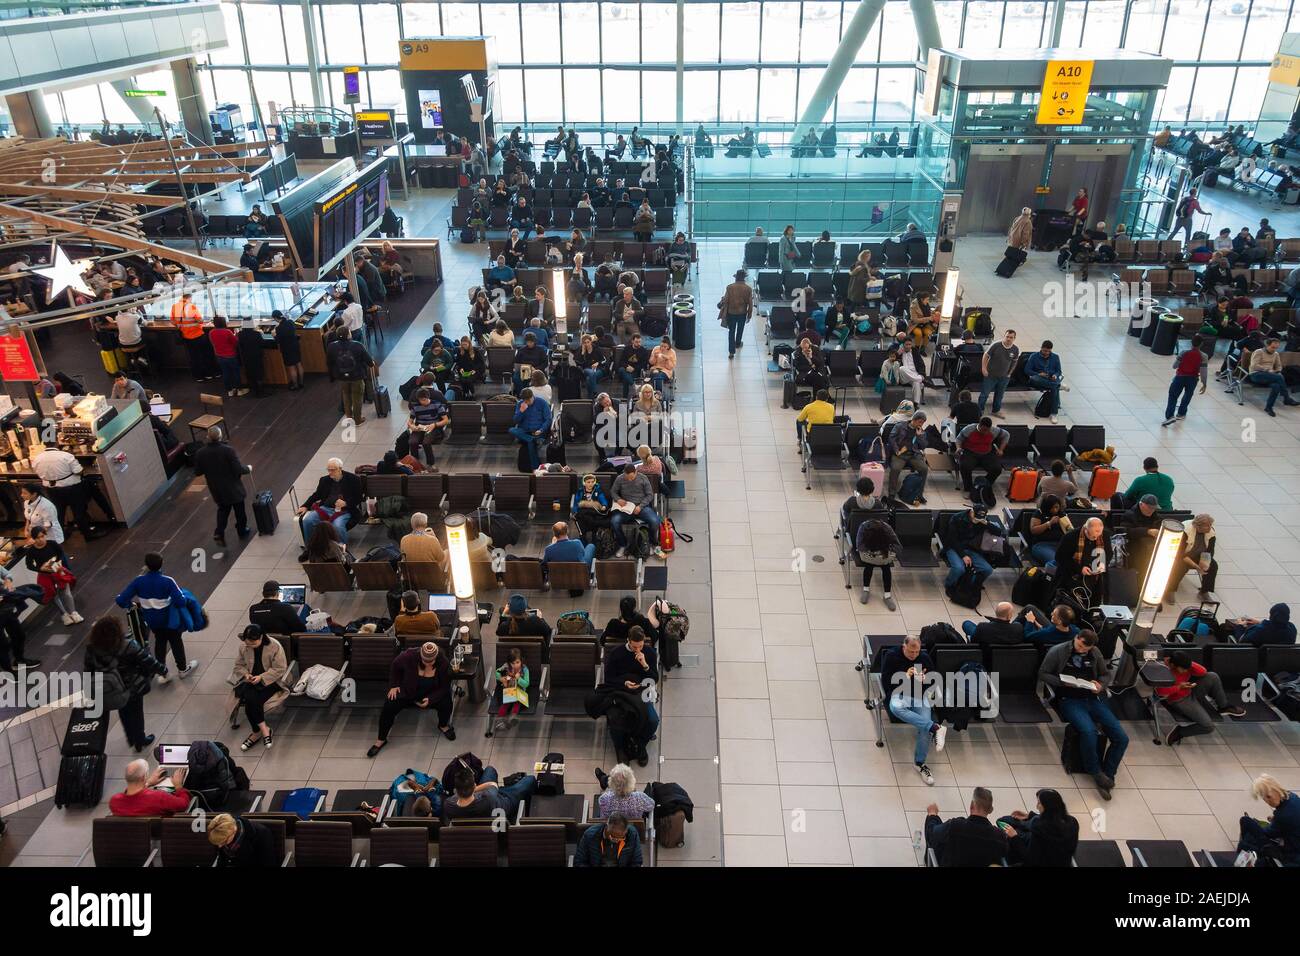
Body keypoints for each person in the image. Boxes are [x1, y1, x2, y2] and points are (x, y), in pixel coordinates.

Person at [1039, 629, 1127, 798]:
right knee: (1089, 732)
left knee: (1121, 738)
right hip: (1069, 699)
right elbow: (1043, 673)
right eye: (1079, 646)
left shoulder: (1094, 653)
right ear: (1076, 638)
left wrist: (1100, 685)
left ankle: (1108, 774)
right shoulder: (1058, 651)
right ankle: (1095, 771)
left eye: (1085, 649)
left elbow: (1104, 675)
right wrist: (1062, 682)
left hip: (1092, 698)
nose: (1081, 650)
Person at [84, 614, 167, 753]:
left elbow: (88, 670)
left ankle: (131, 738)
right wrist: (162, 669)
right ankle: (140, 740)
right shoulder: (127, 645)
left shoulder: (92, 648)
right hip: (132, 687)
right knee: (136, 713)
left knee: (123, 712)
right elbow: (147, 661)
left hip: (113, 689)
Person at [115, 551, 198, 680]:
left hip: (152, 620)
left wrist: (132, 605)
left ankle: (164, 673)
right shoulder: (168, 581)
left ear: (146, 566)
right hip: (170, 620)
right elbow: (181, 601)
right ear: (161, 564)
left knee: (160, 641)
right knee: (176, 641)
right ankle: (182, 669)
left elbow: (120, 600)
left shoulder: (138, 581)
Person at [367, 641, 455, 757]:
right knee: (389, 706)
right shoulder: (408, 656)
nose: (428, 664)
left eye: (431, 661)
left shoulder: (443, 662)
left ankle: (443, 725)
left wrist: (431, 699)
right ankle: (381, 739)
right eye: (425, 661)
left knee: (446, 702)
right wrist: (394, 685)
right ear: (420, 656)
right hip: (408, 692)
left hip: (431, 692)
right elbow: (395, 666)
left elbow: (444, 687)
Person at [881, 636, 946, 786]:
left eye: (917, 651)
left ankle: (920, 763)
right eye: (911, 651)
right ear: (904, 646)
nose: (914, 655)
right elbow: (885, 682)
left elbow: (934, 679)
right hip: (899, 694)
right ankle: (936, 728)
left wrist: (925, 679)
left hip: (919, 695)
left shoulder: (923, 657)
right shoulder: (892, 656)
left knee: (924, 728)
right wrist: (905, 677)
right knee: (896, 707)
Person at [1156, 649, 1246, 746]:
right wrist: (1179, 687)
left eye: (1187, 668)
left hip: (1190, 691)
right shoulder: (1164, 670)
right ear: (1173, 665)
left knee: (1212, 676)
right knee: (1208, 727)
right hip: (1179, 700)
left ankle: (1223, 707)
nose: (1186, 671)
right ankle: (1179, 732)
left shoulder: (1184, 666)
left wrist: (1189, 664)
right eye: (1183, 668)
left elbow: (1203, 672)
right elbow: (1160, 692)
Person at [32, 444, 108, 540]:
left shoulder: (37, 458)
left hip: (51, 490)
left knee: (59, 513)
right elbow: (79, 471)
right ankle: (88, 534)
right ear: (56, 444)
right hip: (72, 488)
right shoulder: (66, 456)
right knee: (78, 512)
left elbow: (37, 472)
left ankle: (60, 535)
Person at [192, 425, 252, 545]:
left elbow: (197, 472)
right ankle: (242, 530)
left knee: (223, 510)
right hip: (232, 487)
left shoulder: (200, 453)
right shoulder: (228, 450)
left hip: (216, 489)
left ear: (208, 437)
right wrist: (248, 468)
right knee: (239, 510)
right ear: (220, 436)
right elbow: (238, 469)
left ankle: (219, 532)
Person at [925, 788, 1008, 866]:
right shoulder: (999, 836)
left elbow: (931, 834)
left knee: (936, 830)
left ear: (972, 805)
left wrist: (932, 815)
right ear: (990, 810)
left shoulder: (955, 825)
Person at [997, 789, 1079, 867]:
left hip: (1041, 862)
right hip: (1061, 861)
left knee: (1003, 823)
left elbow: (1030, 858)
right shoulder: (1072, 822)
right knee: (1008, 822)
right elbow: (1051, 820)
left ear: (1047, 807)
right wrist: (1029, 816)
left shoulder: (1039, 827)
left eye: (1039, 803)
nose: (1036, 806)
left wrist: (1014, 837)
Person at [1234, 773, 1300, 867]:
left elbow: (1269, 833)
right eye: (1264, 798)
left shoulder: (1283, 815)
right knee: (1251, 835)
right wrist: (1275, 819)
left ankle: (1243, 857)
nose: (1268, 801)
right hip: (1291, 845)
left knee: (1246, 822)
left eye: (1268, 797)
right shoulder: (1292, 797)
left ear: (1275, 789)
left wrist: (1259, 825)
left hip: (1292, 853)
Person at [23, 527, 79, 625]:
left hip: (57, 570)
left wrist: (59, 561)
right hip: (45, 575)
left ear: (45, 535)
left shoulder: (52, 544)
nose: (41, 539)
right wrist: (40, 569)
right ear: (34, 538)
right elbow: (29, 565)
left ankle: (74, 613)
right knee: (53, 595)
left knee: (66, 592)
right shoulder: (31, 551)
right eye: (37, 538)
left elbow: (60, 553)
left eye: (42, 536)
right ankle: (64, 614)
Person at [444, 764, 537, 822]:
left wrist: (473, 789)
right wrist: (476, 788)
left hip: (487, 809)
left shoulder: (448, 804)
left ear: (456, 789)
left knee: (489, 769)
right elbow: (493, 785)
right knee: (530, 779)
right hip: (504, 803)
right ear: (474, 786)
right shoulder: (488, 797)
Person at [610, 462, 664, 558]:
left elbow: (650, 495)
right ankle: (623, 544)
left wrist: (640, 506)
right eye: (627, 477)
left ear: (635, 472)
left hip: (642, 507)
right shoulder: (620, 478)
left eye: (631, 477)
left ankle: (653, 543)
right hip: (626, 508)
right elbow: (613, 492)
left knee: (655, 521)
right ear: (624, 473)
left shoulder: (643, 478)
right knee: (614, 521)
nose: (629, 479)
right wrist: (618, 499)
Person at [326, 326, 375, 426]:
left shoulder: (331, 346)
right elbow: (369, 361)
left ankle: (349, 417)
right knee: (357, 397)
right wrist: (371, 364)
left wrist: (332, 376)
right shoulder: (357, 345)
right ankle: (357, 420)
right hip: (356, 376)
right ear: (348, 334)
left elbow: (329, 362)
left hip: (342, 376)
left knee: (346, 395)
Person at [109, 758, 190, 817]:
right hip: (160, 833)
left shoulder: (114, 802)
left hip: (135, 836)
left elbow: (133, 799)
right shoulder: (159, 797)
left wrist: (148, 783)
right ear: (143, 777)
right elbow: (183, 805)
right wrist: (178, 786)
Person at [941, 504, 995, 591]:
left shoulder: (982, 519)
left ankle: (973, 583)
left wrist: (987, 524)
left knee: (987, 569)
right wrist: (963, 555)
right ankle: (950, 585)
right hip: (954, 548)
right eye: (976, 516)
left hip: (971, 548)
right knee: (959, 568)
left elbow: (998, 532)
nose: (977, 519)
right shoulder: (958, 518)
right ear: (972, 512)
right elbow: (952, 540)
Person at [1166, 513, 1218, 602]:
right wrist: (1196, 566)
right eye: (1207, 526)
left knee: (1213, 566)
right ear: (1198, 526)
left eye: (1210, 525)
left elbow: (1210, 550)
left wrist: (1205, 563)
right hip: (1182, 556)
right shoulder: (1185, 531)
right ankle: (1170, 590)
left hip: (1199, 555)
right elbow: (1180, 553)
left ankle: (1204, 591)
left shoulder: (1211, 532)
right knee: (1180, 567)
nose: (1210, 528)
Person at [170, 290, 218, 381]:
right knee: (205, 355)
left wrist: (180, 326)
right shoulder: (191, 306)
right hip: (198, 335)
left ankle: (198, 377)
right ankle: (209, 374)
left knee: (194, 357)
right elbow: (200, 320)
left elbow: (172, 321)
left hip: (186, 337)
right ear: (189, 298)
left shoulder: (174, 307)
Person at [1162, 335, 1209, 426]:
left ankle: (1170, 416)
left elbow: (1174, 366)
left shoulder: (1183, 353)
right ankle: (1181, 413)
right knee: (1187, 395)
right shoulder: (1204, 356)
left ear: (1191, 342)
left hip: (1180, 377)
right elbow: (1204, 371)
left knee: (1173, 396)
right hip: (1193, 379)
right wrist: (1204, 383)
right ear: (1201, 344)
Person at [885, 411, 929, 503]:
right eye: (920, 422)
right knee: (896, 468)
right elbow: (891, 438)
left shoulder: (921, 431)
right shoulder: (900, 426)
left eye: (923, 423)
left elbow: (923, 446)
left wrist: (919, 436)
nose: (921, 424)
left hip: (913, 454)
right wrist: (896, 450)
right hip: (900, 454)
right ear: (914, 419)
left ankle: (919, 493)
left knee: (924, 468)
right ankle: (892, 493)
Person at [956, 417, 1009, 494]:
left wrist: (1001, 449)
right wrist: (958, 448)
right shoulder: (969, 429)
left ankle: (983, 484)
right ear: (979, 426)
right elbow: (959, 439)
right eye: (983, 430)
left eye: (988, 430)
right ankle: (968, 489)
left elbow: (1006, 435)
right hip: (970, 452)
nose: (985, 432)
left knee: (997, 469)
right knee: (964, 466)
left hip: (987, 453)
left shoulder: (994, 430)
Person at [1248, 337, 1300, 417]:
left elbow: (1279, 366)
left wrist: (1278, 371)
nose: (1274, 349)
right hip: (1256, 374)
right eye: (1272, 347)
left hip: (1270, 376)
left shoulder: (1275, 354)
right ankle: (1286, 398)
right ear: (1267, 345)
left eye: (1276, 348)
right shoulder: (1259, 352)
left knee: (1276, 386)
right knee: (1279, 378)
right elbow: (1254, 365)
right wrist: (1267, 370)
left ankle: (1269, 407)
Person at [855, 516, 899, 609]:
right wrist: (872, 553)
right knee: (868, 566)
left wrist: (886, 554)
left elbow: (897, 545)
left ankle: (887, 595)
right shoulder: (863, 528)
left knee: (886, 568)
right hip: (870, 551)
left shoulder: (887, 529)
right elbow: (860, 546)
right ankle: (866, 589)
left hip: (883, 551)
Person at [208, 813, 277, 867]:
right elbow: (221, 862)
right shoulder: (221, 837)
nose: (220, 846)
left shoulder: (261, 834)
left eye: (224, 841)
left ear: (234, 830)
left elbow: (268, 864)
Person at [575, 812, 643, 866]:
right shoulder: (590, 835)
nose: (617, 841)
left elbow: (637, 862)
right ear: (607, 827)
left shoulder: (632, 834)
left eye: (621, 838)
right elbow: (579, 861)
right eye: (614, 837)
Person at [978, 329, 1019, 417]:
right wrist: (984, 368)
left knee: (999, 395)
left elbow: (1014, 361)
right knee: (984, 394)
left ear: (1014, 339)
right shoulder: (996, 345)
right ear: (1004, 336)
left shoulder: (1015, 349)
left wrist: (1009, 373)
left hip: (1004, 377)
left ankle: (996, 411)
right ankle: (980, 410)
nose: (1008, 339)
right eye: (1007, 336)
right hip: (990, 375)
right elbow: (985, 355)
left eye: (1011, 337)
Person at [510, 388, 552, 471]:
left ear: (532, 396)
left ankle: (535, 468)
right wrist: (521, 411)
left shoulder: (542, 403)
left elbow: (548, 419)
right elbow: (515, 420)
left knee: (530, 444)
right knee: (511, 430)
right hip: (525, 431)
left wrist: (541, 430)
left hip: (538, 431)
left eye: (528, 400)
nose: (527, 403)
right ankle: (532, 439)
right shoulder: (520, 404)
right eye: (525, 401)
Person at [405, 387, 449, 466]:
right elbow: (410, 421)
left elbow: (445, 420)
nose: (422, 402)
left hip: (433, 427)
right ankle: (415, 462)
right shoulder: (415, 406)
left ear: (428, 397)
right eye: (420, 400)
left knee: (426, 442)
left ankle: (430, 463)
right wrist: (412, 426)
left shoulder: (436, 404)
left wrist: (434, 425)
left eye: (424, 400)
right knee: (412, 442)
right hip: (420, 428)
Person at [1025, 339, 1066, 423]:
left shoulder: (1055, 357)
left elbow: (1058, 371)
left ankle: (1053, 413)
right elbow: (1027, 370)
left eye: (1048, 351)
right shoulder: (1034, 356)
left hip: (1050, 379)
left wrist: (1055, 375)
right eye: (1045, 351)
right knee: (1035, 378)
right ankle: (1058, 384)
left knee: (1054, 388)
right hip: (1037, 379)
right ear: (1041, 348)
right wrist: (1039, 374)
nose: (1046, 353)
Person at [1027, 494, 1068, 569]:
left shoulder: (1061, 514)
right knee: (1054, 561)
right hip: (1041, 545)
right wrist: (1049, 523)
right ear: (1047, 507)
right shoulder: (1039, 514)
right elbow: (1034, 530)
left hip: (1059, 544)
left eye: (1057, 507)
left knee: (1070, 560)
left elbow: (1069, 530)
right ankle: (1050, 578)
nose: (1055, 510)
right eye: (1053, 507)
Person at [720, 269, 754, 358]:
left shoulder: (730, 287)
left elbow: (726, 301)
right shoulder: (748, 289)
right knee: (740, 328)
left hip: (731, 312)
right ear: (744, 278)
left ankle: (731, 352)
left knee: (731, 331)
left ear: (736, 278)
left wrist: (724, 313)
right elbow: (750, 304)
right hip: (742, 313)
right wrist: (749, 315)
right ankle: (738, 343)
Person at [272, 310, 304, 391]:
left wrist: (274, 335)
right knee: (298, 364)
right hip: (295, 346)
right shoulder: (290, 322)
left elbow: (278, 341)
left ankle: (295, 385)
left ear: (275, 318)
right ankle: (301, 383)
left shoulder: (278, 329)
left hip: (287, 349)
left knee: (292, 367)